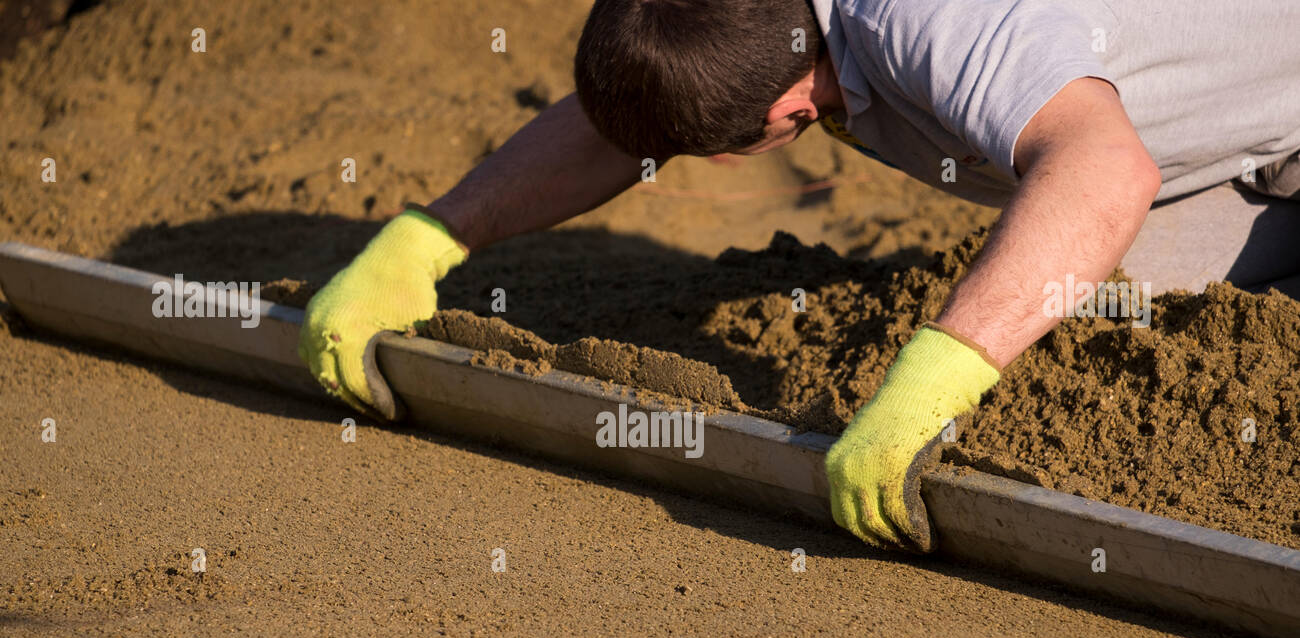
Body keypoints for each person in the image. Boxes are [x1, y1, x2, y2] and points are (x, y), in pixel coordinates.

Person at [298, 0, 1300, 551]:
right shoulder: (747, 20)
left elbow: (1102, 170)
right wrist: (428, 239)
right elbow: (636, 110)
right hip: (1221, 138)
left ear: (781, 122)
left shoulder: (942, 26)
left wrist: (927, 386)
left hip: (1232, 116)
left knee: (1100, 273)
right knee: (1118, 313)